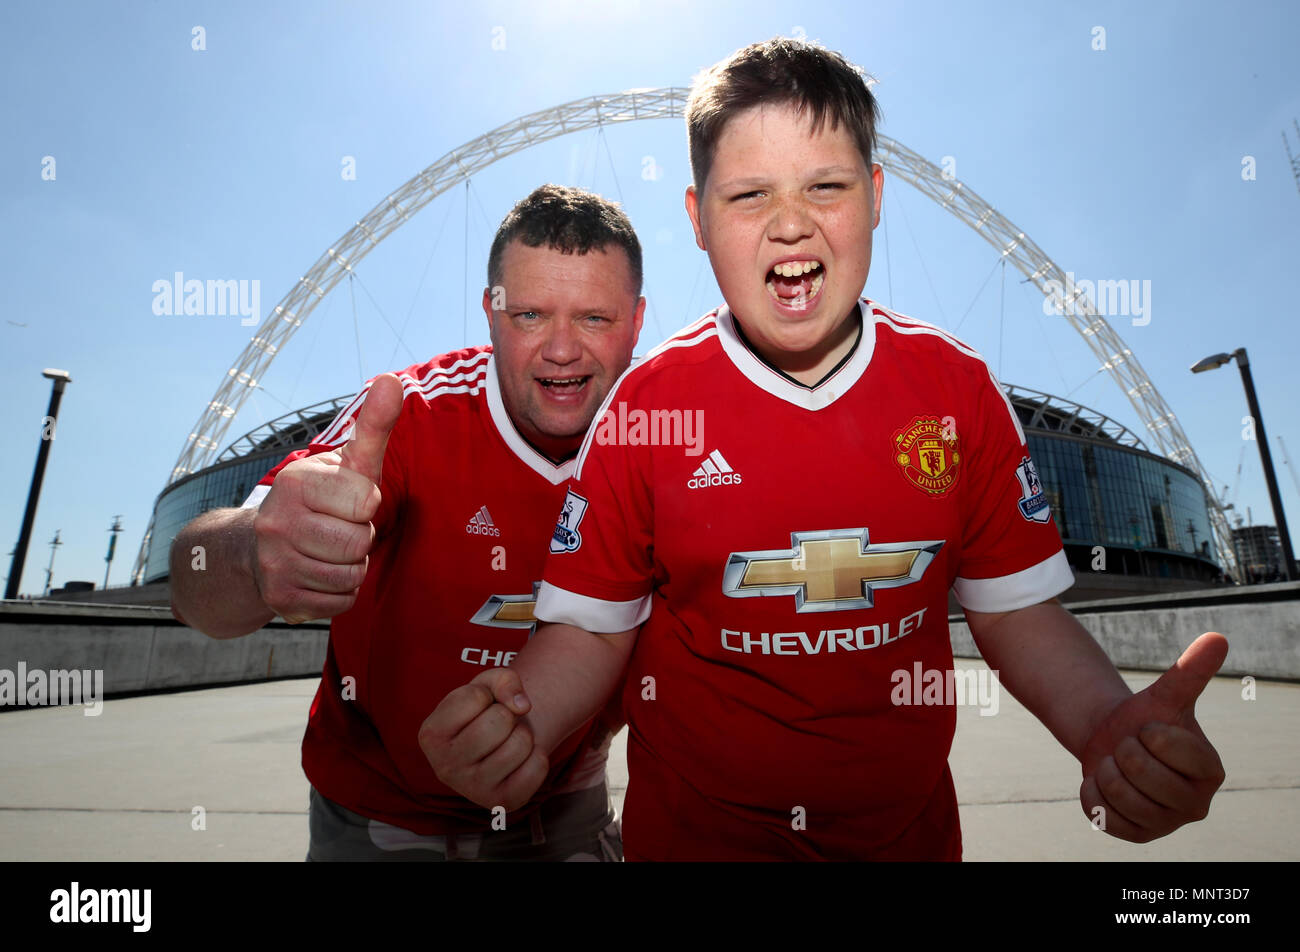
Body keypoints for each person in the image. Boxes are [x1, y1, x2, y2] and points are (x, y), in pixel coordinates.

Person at [421, 39, 1228, 861]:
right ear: (697, 221)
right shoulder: (645, 408)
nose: (791, 222)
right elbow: (591, 632)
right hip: (692, 841)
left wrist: (1105, 728)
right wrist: (524, 723)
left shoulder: (956, 391)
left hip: (906, 841)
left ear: (875, 196)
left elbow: (1015, 611)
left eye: (826, 186)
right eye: (750, 195)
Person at [170, 184, 645, 860]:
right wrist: (251, 553)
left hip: (566, 808)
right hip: (376, 818)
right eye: (531, 315)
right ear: (490, 313)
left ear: (637, 320)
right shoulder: (409, 418)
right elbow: (196, 599)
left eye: (595, 318)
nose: (560, 350)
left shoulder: (664, 437)